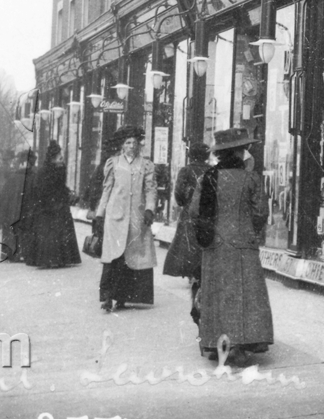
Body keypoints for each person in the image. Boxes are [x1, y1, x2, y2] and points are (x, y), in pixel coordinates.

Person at [194, 128, 273, 362]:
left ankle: (215, 342)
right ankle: (242, 343)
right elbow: (260, 212)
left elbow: (194, 211)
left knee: (217, 294)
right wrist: (250, 228)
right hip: (243, 242)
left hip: (215, 244)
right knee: (245, 294)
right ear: (238, 152)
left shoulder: (207, 178)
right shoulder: (251, 178)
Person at [96, 125, 157, 311]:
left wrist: (149, 209)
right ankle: (107, 298)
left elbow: (150, 189)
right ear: (122, 145)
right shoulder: (113, 163)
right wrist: (100, 213)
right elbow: (107, 190)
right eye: (128, 142)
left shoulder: (146, 165)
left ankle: (123, 297)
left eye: (134, 142)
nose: (131, 146)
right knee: (113, 257)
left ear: (139, 145)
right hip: (115, 217)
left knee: (131, 256)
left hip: (136, 219)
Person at [162, 143, 211, 313]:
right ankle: (202, 272)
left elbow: (178, 194)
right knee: (204, 242)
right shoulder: (212, 170)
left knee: (189, 243)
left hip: (190, 212)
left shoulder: (186, 171)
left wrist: (184, 203)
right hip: (208, 212)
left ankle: (192, 273)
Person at [23, 142, 81, 268]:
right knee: (51, 233)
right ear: (53, 157)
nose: (61, 158)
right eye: (59, 155)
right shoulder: (45, 171)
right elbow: (41, 189)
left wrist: (67, 193)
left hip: (56, 204)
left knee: (56, 232)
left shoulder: (59, 168)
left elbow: (60, 186)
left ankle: (58, 258)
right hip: (48, 206)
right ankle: (51, 259)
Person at [10, 150, 39, 262]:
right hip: (30, 207)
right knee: (28, 229)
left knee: (18, 229)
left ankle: (17, 252)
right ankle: (27, 253)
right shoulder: (35, 175)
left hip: (17, 207)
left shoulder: (13, 176)